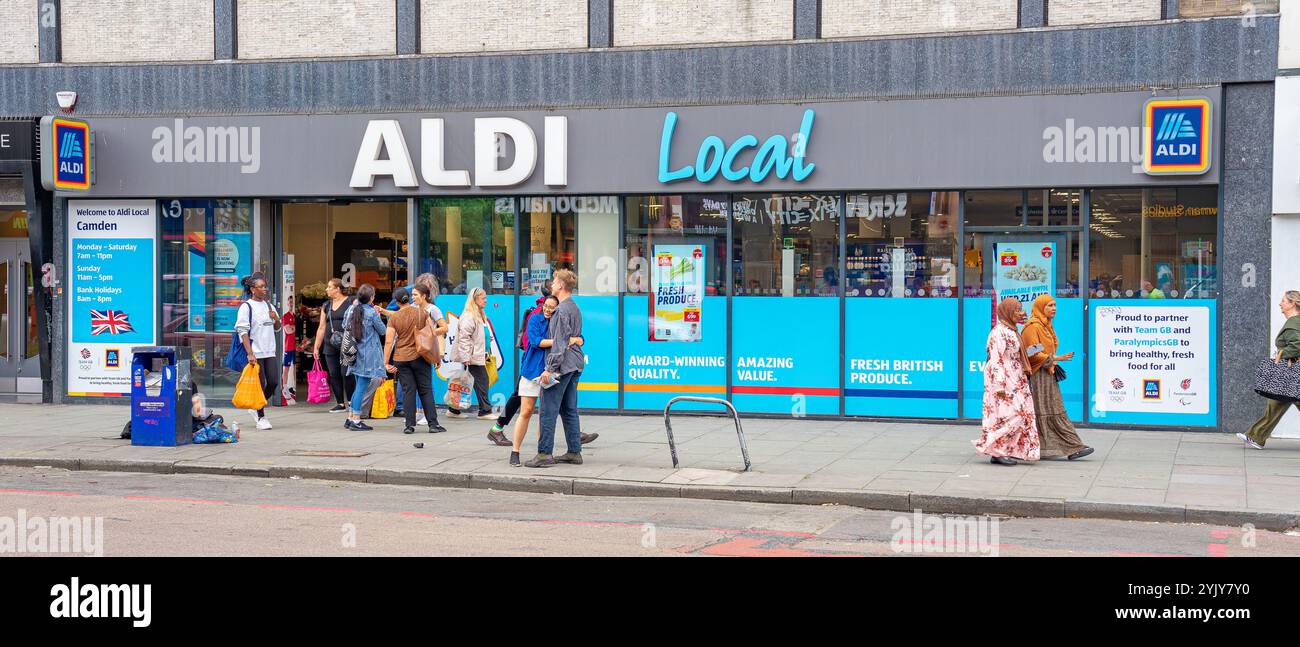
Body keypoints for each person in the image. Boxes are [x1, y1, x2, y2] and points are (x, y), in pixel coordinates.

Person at [487, 288, 597, 447]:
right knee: (521, 400)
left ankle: (573, 435)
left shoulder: (558, 314)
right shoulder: (536, 316)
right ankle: (498, 427)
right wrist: (564, 341)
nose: (548, 309)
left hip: (547, 366)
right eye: (547, 306)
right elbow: (535, 341)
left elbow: (578, 337)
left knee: (555, 402)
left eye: (552, 307)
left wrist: (572, 339)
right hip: (533, 364)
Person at [1020, 295, 1093, 460]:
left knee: (1051, 409)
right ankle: (1073, 447)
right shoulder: (1032, 327)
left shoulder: (1046, 326)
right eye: (1049, 306)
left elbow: (1039, 350)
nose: (1054, 308)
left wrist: (1054, 358)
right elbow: (1031, 352)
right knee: (1049, 410)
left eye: (1055, 305)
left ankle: (1060, 447)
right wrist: (1056, 358)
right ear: (1040, 307)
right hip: (1038, 376)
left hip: (1047, 373)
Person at [526, 269, 585, 468]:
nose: (551, 285)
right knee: (569, 409)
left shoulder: (561, 310)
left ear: (560, 285)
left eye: (554, 282)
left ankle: (544, 454)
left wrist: (549, 369)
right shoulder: (574, 307)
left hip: (562, 365)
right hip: (575, 364)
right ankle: (574, 451)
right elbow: (575, 338)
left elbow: (559, 343)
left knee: (548, 411)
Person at [973, 298, 1040, 466]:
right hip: (1004, 378)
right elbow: (996, 360)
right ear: (1008, 312)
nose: (1020, 313)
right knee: (1010, 414)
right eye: (1016, 310)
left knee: (1022, 413)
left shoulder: (1012, 330)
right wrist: (999, 385)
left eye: (1020, 309)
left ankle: (1004, 451)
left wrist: (1035, 350)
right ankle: (997, 450)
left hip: (1016, 377)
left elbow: (1016, 355)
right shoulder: (999, 333)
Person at [1239, 290, 1300, 449]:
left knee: (1277, 402)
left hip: (1293, 372)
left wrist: (1279, 355)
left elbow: (1297, 346)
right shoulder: (1295, 322)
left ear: (1293, 303)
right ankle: (1256, 437)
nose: (1280, 304)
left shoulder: (1294, 324)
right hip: (1291, 373)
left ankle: (1256, 436)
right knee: (1276, 403)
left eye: (1283, 301)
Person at [383, 284, 447, 434]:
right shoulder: (422, 313)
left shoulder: (394, 318)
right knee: (425, 390)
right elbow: (431, 335)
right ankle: (433, 424)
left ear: (397, 302)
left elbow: (388, 341)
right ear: (408, 298)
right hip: (420, 357)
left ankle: (409, 425)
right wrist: (436, 357)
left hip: (401, 358)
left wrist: (386, 362)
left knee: (408, 391)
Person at [235, 273, 282, 430]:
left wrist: (276, 319)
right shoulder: (246, 307)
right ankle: (261, 417)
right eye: (261, 287)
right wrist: (250, 353)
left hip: (269, 350)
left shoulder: (269, 306)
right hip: (255, 351)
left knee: (274, 382)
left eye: (265, 286)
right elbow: (243, 332)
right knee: (260, 385)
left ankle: (256, 406)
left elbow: (277, 328)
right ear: (252, 289)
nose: (265, 289)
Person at [343, 284, 387, 431]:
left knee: (358, 386)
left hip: (354, 352)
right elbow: (382, 330)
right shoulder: (372, 313)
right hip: (367, 355)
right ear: (372, 298)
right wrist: (378, 314)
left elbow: (344, 325)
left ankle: (350, 417)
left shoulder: (351, 309)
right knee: (362, 387)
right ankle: (356, 419)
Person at [448, 287, 495, 419]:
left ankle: (453, 410)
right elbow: (464, 338)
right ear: (475, 300)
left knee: (466, 382)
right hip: (472, 356)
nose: (486, 300)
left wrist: (486, 339)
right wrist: (465, 357)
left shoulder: (479, 314)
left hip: (475, 355)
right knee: (482, 381)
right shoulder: (469, 316)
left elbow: (475, 335)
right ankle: (485, 411)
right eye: (483, 298)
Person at [312, 278, 355, 413]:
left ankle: (352, 401)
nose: (327, 289)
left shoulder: (350, 301)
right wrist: (316, 347)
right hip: (330, 344)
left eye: (329, 287)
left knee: (346, 373)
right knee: (334, 373)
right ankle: (340, 403)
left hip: (347, 343)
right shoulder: (326, 305)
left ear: (337, 289)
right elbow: (321, 327)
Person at [412, 273, 448, 427]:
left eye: (415, 294)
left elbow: (444, 327)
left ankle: (427, 414)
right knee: (415, 383)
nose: (413, 297)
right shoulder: (412, 308)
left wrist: (430, 332)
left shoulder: (433, 309)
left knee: (426, 383)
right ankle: (419, 412)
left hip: (426, 348)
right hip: (414, 348)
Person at [281, 295, 297, 405]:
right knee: (286, 368)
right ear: (287, 303)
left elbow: (293, 329)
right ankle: (285, 387)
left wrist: (292, 327)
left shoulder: (295, 316)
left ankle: (293, 386)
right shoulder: (285, 316)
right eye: (289, 302)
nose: (291, 303)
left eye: (292, 302)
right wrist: (293, 327)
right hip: (288, 346)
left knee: (294, 367)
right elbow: (289, 331)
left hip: (295, 346)